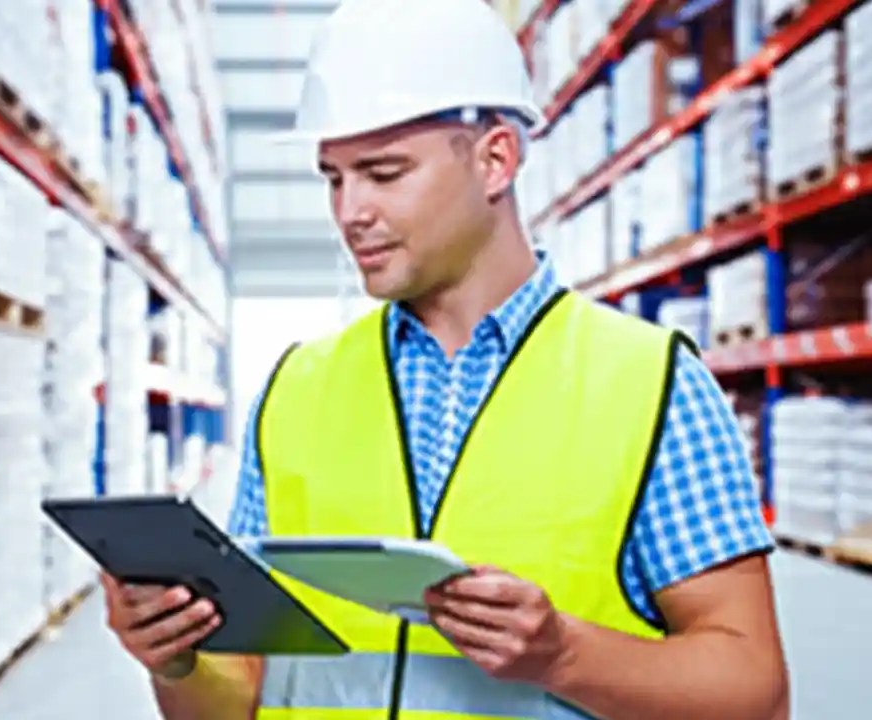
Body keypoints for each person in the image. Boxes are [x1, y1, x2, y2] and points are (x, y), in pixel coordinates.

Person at [101, 0, 790, 717]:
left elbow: (755, 693)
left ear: (496, 159)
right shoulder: (296, 390)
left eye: (384, 173)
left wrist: (563, 654)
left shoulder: (652, 384)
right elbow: (236, 700)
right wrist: (176, 659)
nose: (349, 211)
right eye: (333, 177)